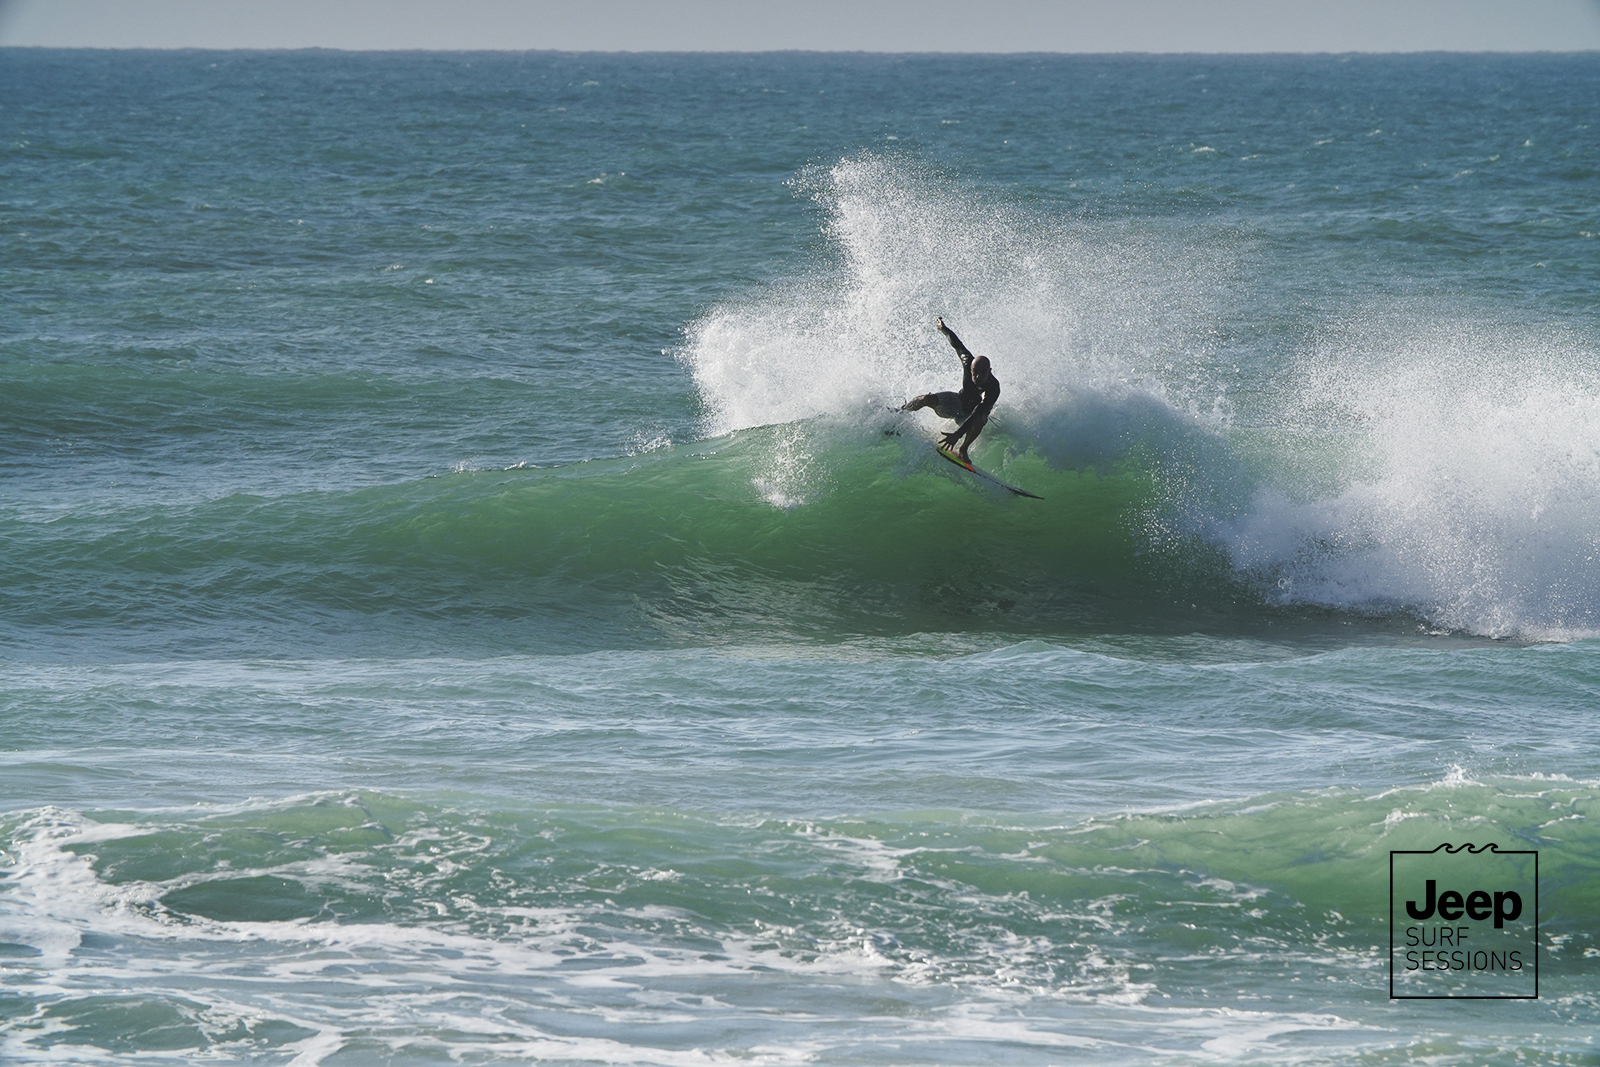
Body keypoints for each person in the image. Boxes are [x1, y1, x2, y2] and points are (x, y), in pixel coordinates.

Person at [901, 317, 1000, 462]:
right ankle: (900, 414)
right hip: (956, 402)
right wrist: (943, 328)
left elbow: (978, 412)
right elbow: (957, 344)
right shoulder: (967, 360)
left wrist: (957, 435)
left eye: (983, 372)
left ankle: (963, 449)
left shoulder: (994, 388)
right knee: (926, 399)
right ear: (970, 368)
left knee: (980, 419)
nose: (978, 376)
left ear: (989, 371)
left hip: (969, 415)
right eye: (975, 372)